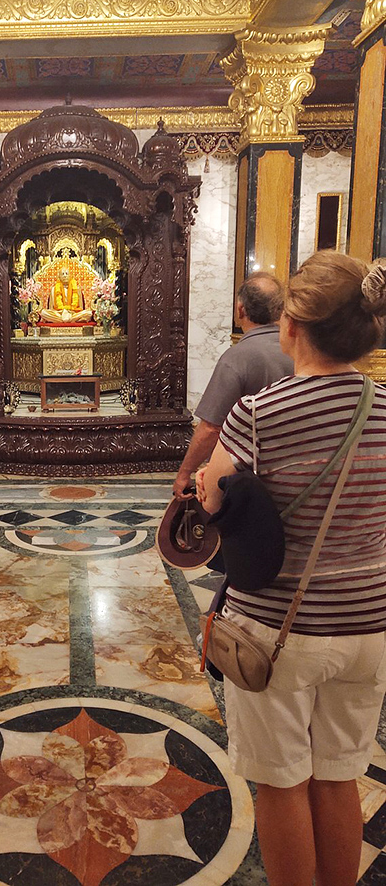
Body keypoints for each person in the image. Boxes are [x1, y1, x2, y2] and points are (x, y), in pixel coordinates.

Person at [196, 251, 386, 886]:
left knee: (281, 785)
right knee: (340, 777)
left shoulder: (264, 412)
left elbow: (214, 495)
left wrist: (203, 481)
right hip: (369, 625)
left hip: (281, 628)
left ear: (293, 325)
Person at [173, 272, 293, 499]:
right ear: (280, 310)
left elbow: (211, 428)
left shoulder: (237, 358)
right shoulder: (302, 352)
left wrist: (184, 473)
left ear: (240, 309)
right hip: (297, 475)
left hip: (250, 483)